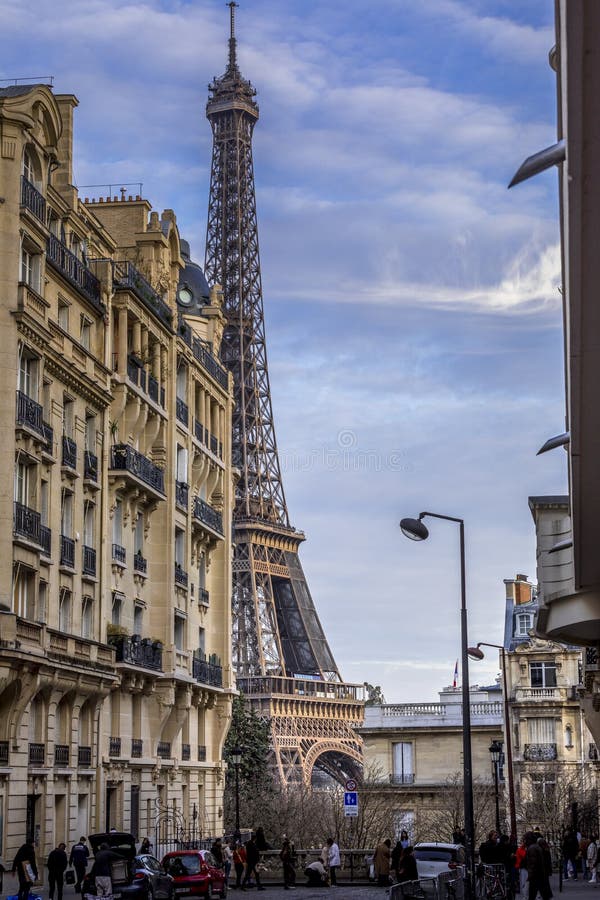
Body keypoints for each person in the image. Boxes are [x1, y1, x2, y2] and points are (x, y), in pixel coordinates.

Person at [525, 832, 551, 900]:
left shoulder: (532, 848)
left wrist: (530, 874)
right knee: (542, 893)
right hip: (539, 873)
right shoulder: (536, 846)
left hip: (535, 874)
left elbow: (533, 863)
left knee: (532, 894)